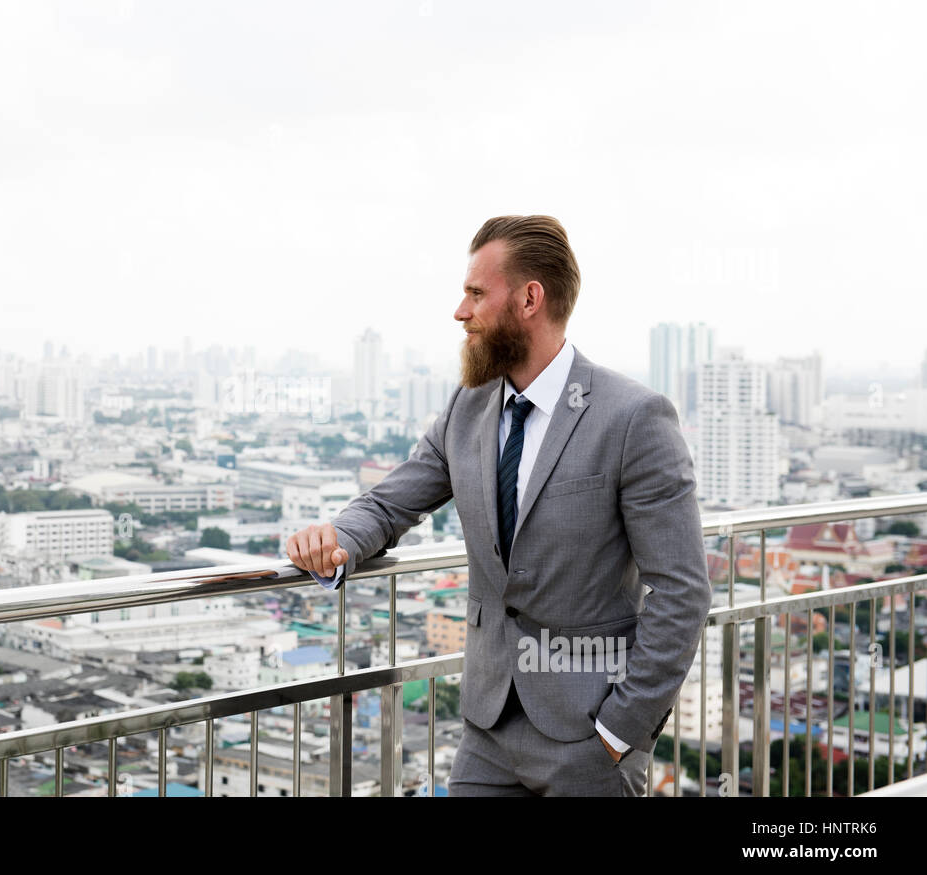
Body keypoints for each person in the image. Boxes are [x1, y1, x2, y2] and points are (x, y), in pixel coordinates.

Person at [286, 215, 710, 796]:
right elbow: (390, 503)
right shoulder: (469, 406)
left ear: (530, 298)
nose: (461, 312)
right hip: (486, 730)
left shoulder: (633, 418)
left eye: (477, 293)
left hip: (591, 736)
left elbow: (683, 589)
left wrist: (622, 729)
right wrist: (336, 537)